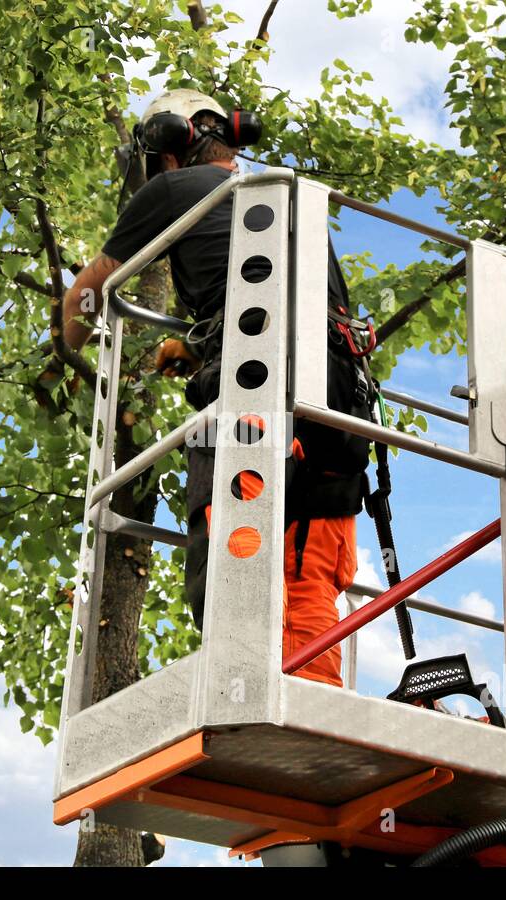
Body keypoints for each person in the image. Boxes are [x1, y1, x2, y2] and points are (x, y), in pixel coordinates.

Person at [60, 89, 374, 687]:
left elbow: (88, 298)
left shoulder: (175, 189)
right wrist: (199, 342)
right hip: (337, 398)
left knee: (236, 546)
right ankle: (311, 696)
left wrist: (57, 350)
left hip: (253, 399)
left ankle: (244, 692)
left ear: (169, 143)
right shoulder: (281, 203)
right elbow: (271, 303)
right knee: (307, 565)